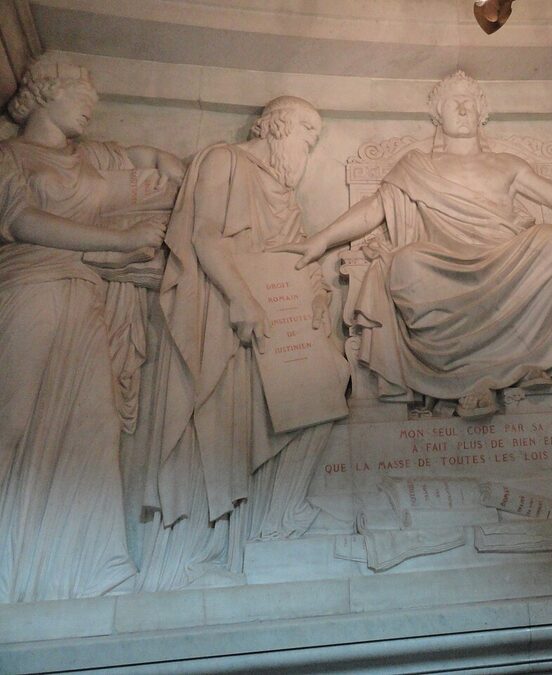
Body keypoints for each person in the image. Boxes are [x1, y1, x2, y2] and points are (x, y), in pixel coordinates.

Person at [275, 71, 552, 418]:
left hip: (508, 260)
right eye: (454, 103)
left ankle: (522, 361)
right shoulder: (417, 166)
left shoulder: (507, 165)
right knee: (407, 263)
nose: (463, 110)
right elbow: (374, 208)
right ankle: (482, 373)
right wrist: (321, 240)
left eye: (470, 103)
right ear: (438, 114)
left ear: (482, 112)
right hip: (443, 263)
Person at [138, 96, 338, 591]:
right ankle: (189, 555)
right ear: (277, 127)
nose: (308, 148)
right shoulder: (223, 160)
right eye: (306, 135)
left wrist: (316, 298)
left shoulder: (283, 195)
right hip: (219, 312)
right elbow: (203, 236)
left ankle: (266, 526)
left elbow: (297, 257)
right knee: (213, 424)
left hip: (269, 320)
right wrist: (242, 300)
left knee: (332, 380)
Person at [0, 57, 181, 602]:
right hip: (30, 290)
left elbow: (156, 171)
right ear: (46, 90)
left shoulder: (94, 164)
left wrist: (185, 172)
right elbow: (19, 221)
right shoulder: (10, 155)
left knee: (96, 425)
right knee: (10, 419)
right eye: (81, 91)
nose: (91, 105)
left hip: (84, 299)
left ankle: (97, 566)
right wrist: (122, 240)